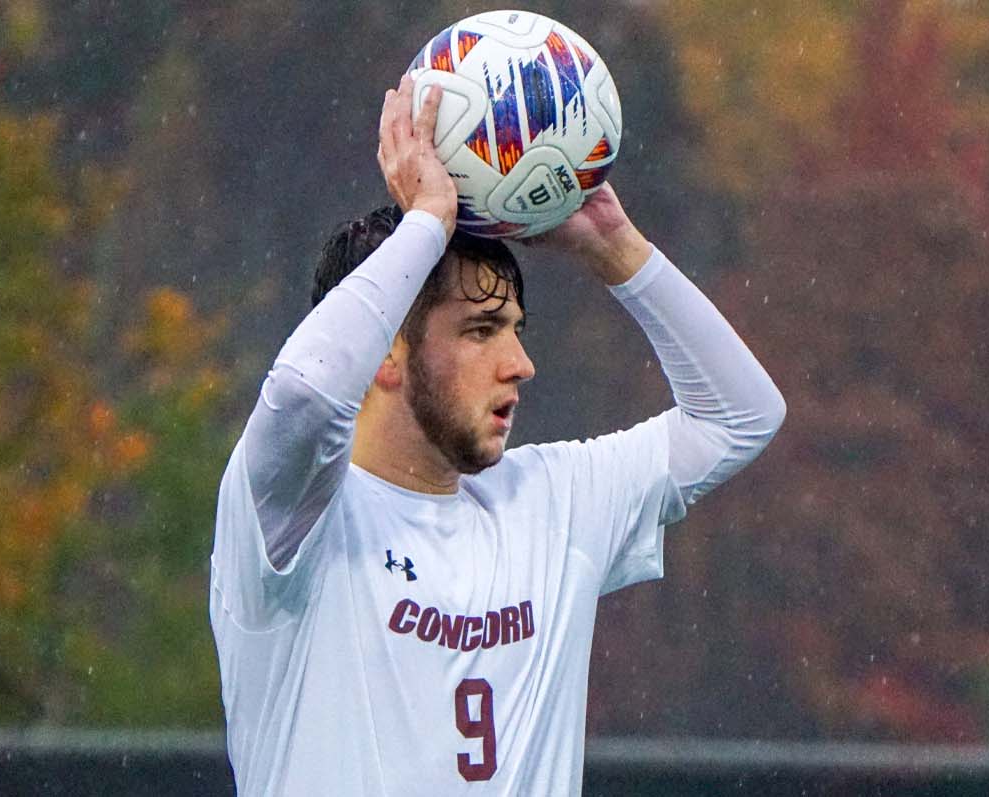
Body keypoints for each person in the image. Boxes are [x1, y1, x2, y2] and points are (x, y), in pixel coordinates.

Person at [209, 75, 786, 795]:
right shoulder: (295, 517)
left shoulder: (551, 504)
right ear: (386, 349)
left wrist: (616, 249)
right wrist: (426, 220)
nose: (520, 364)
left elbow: (741, 416)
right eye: (482, 331)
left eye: (516, 330)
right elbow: (302, 392)